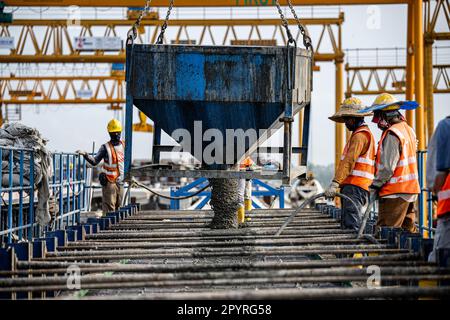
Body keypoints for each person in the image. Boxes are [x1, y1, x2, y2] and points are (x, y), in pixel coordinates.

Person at [359, 93, 420, 233]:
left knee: (385, 232)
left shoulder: (393, 133)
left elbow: (387, 168)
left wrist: (375, 186)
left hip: (394, 192)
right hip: (410, 190)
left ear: (385, 115)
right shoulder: (408, 130)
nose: (377, 123)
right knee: (407, 233)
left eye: (378, 117)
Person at [324, 97, 375, 231]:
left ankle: (351, 250)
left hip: (355, 187)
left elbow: (349, 161)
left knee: (351, 225)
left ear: (353, 118)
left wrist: (335, 183)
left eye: (347, 119)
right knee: (348, 223)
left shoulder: (360, 136)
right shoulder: (361, 134)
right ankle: (347, 252)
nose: (345, 123)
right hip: (357, 187)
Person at [77, 119, 125, 215]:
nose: (116, 135)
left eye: (117, 132)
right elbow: (95, 161)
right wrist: (85, 154)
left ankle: (117, 227)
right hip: (110, 182)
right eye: (114, 133)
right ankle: (109, 227)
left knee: (119, 207)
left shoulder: (124, 145)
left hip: (121, 181)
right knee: (109, 209)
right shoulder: (105, 147)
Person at [427, 116, 450, 262]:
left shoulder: (445, 126)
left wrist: (435, 191)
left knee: (439, 257)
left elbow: (441, 172)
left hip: (448, 210)